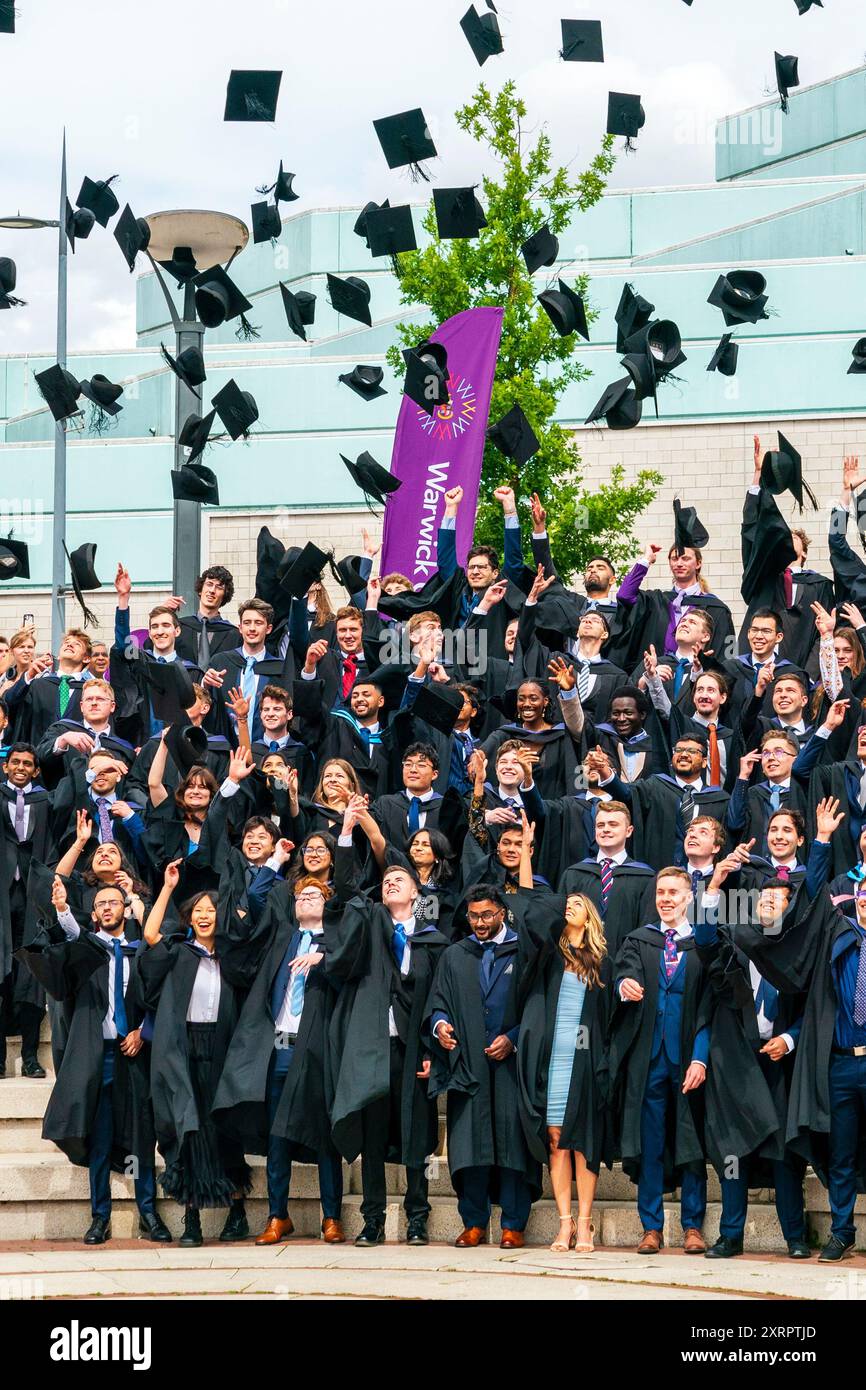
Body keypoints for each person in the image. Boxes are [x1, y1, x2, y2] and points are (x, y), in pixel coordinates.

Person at [19, 876, 169, 1244]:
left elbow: (159, 996)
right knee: (100, 1140)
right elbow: (68, 937)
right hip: (97, 1057)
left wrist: (142, 1031)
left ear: (125, 910)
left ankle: (147, 1210)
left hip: (133, 1056)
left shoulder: (139, 951)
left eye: (113, 903)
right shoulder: (86, 953)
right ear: (94, 913)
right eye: (100, 903)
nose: (106, 908)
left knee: (140, 1137)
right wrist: (63, 909)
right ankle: (99, 1216)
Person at [326, 837, 450, 1248]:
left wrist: (435, 1053)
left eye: (400, 878)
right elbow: (345, 891)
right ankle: (372, 1219)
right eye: (386, 880)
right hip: (374, 1050)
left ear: (418, 891)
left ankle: (417, 1218)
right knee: (374, 1137)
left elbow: (440, 999)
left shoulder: (433, 941)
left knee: (416, 1137)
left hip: (414, 1052)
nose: (391, 883)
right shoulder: (371, 932)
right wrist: (346, 836)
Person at [213, 875, 346, 1245]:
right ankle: (277, 1215)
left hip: (317, 1050)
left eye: (314, 894)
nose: (305, 898)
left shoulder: (336, 941)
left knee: (324, 1137)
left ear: (328, 902)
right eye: (300, 894)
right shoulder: (281, 939)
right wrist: (272, 865)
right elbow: (252, 905)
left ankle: (331, 1216)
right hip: (278, 1049)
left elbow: (357, 965)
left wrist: (325, 958)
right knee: (277, 1137)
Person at [695, 874, 809, 1259]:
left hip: (779, 1063)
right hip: (736, 1065)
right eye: (764, 899)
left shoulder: (797, 954)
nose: (769, 904)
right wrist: (713, 890)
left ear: (791, 908)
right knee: (732, 1153)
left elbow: (814, 1009)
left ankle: (795, 1236)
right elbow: (706, 942)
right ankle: (730, 1235)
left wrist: (790, 1038)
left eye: (778, 900)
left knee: (784, 1155)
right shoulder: (735, 944)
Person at [138, 865, 251, 1247]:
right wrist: (168, 888)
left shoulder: (231, 959)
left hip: (223, 1051)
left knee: (224, 1129)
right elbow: (150, 934)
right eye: (198, 910)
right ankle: (192, 1221)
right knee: (190, 1132)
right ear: (189, 918)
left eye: (211, 910)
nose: (204, 915)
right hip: (184, 1050)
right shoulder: (179, 953)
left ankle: (237, 1212)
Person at [428, 883, 541, 1248]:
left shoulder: (523, 951)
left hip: (512, 1067)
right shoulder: (455, 955)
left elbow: (539, 1007)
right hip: (469, 1065)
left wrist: (515, 1036)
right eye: (473, 915)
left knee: (512, 1147)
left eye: (487, 915)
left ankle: (513, 1223)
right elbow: (438, 1002)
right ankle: (473, 1222)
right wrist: (440, 1025)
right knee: (470, 1148)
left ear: (503, 913)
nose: (479, 922)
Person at [607, 866, 710, 1254]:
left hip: (686, 1060)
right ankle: (651, 1227)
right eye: (660, 892)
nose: (665, 899)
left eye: (673, 892)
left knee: (690, 1140)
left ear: (689, 897)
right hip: (647, 1058)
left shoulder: (702, 944)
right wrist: (623, 985)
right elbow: (624, 971)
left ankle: (692, 1226)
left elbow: (708, 1007)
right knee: (649, 1143)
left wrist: (700, 1059)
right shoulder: (639, 940)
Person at [518, 892, 612, 1253]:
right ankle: (564, 1223)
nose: (568, 907)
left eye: (576, 904)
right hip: (553, 1056)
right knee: (556, 1139)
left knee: (583, 1142)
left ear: (589, 917)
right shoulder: (549, 957)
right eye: (565, 904)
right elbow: (532, 918)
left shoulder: (603, 960)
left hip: (585, 1060)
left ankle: (585, 1224)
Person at [0, 742, 55, 1077]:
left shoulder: (44, 801)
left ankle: (31, 1056)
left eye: (28, 764)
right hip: (2, 894)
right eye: (15, 762)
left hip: (33, 892)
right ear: (6, 766)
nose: (21, 767)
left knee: (32, 973)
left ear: (36, 770)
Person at [559, 801, 655, 960]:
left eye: (613, 824)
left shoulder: (644, 878)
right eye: (600, 825)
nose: (606, 829)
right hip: (577, 964)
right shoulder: (574, 874)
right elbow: (560, 923)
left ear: (629, 831)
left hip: (626, 966)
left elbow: (646, 929)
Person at [36, 677, 134, 790]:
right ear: (82, 706)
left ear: (112, 706)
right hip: (67, 804)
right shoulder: (62, 730)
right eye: (89, 699)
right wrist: (63, 740)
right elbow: (39, 757)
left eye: (100, 699)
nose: (94, 703)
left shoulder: (124, 749)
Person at [4, 627, 96, 746]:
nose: (69, 645)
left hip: (76, 760)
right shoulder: (38, 685)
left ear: (86, 658)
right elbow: (9, 703)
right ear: (58, 655)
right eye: (66, 643)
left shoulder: (89, 691)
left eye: (77, 644)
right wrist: (29, 675)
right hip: (39, 756)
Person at [175, 565, 240, 669]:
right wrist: (164, 613)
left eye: (219, 587)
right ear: (201, 590)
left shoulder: (234, 634)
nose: (212, 591)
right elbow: (151, 648)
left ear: (224, 595)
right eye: (209, 584)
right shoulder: (180, 627)